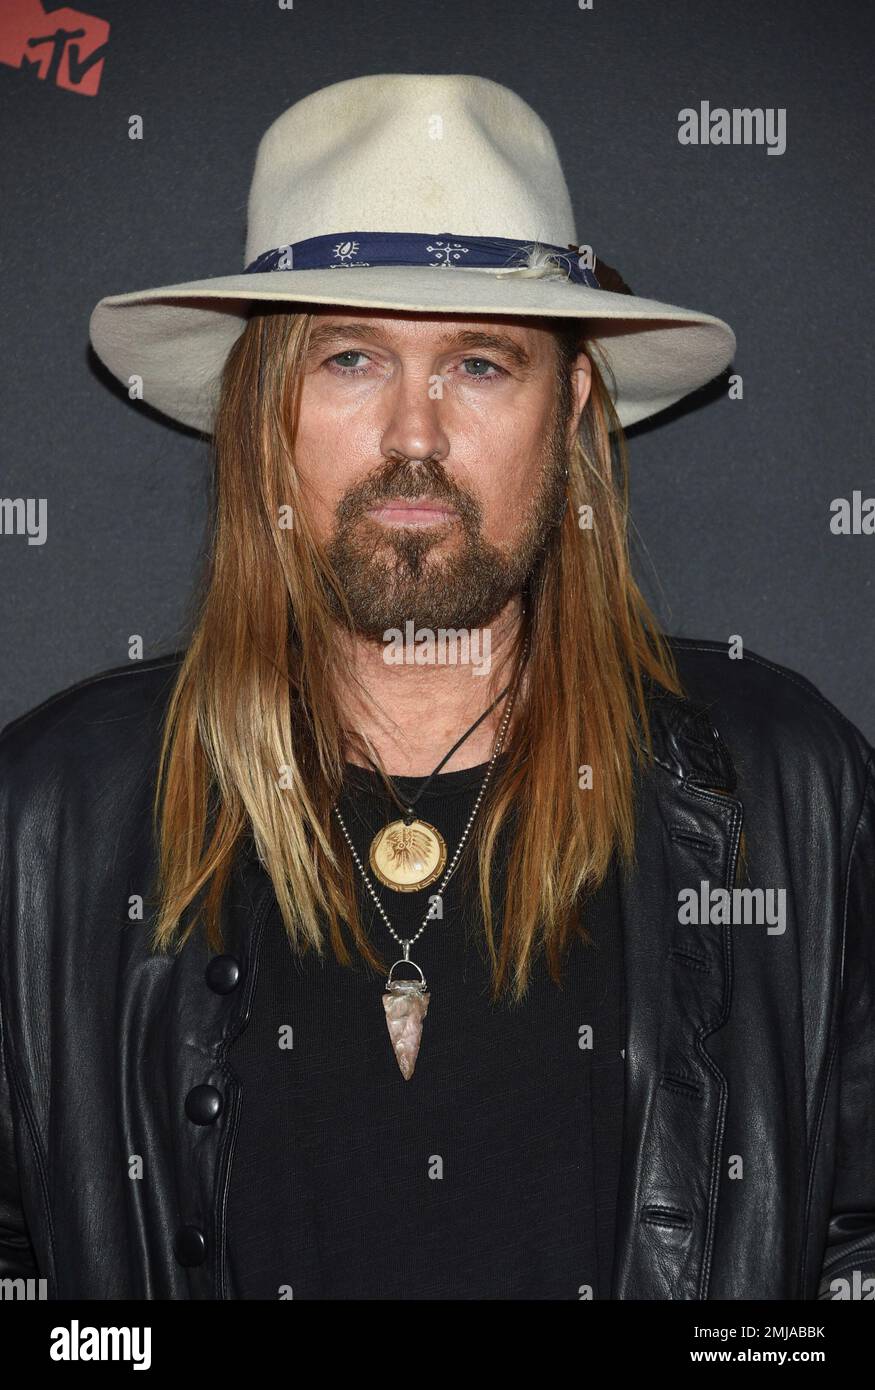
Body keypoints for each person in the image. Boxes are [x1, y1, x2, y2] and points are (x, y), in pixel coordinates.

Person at [1, 73, 872, 1301]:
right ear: (261, 414)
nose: (414, 434)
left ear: (568, 410)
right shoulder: (51, 814)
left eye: (477, 363)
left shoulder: (780, 785)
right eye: (350, 358)